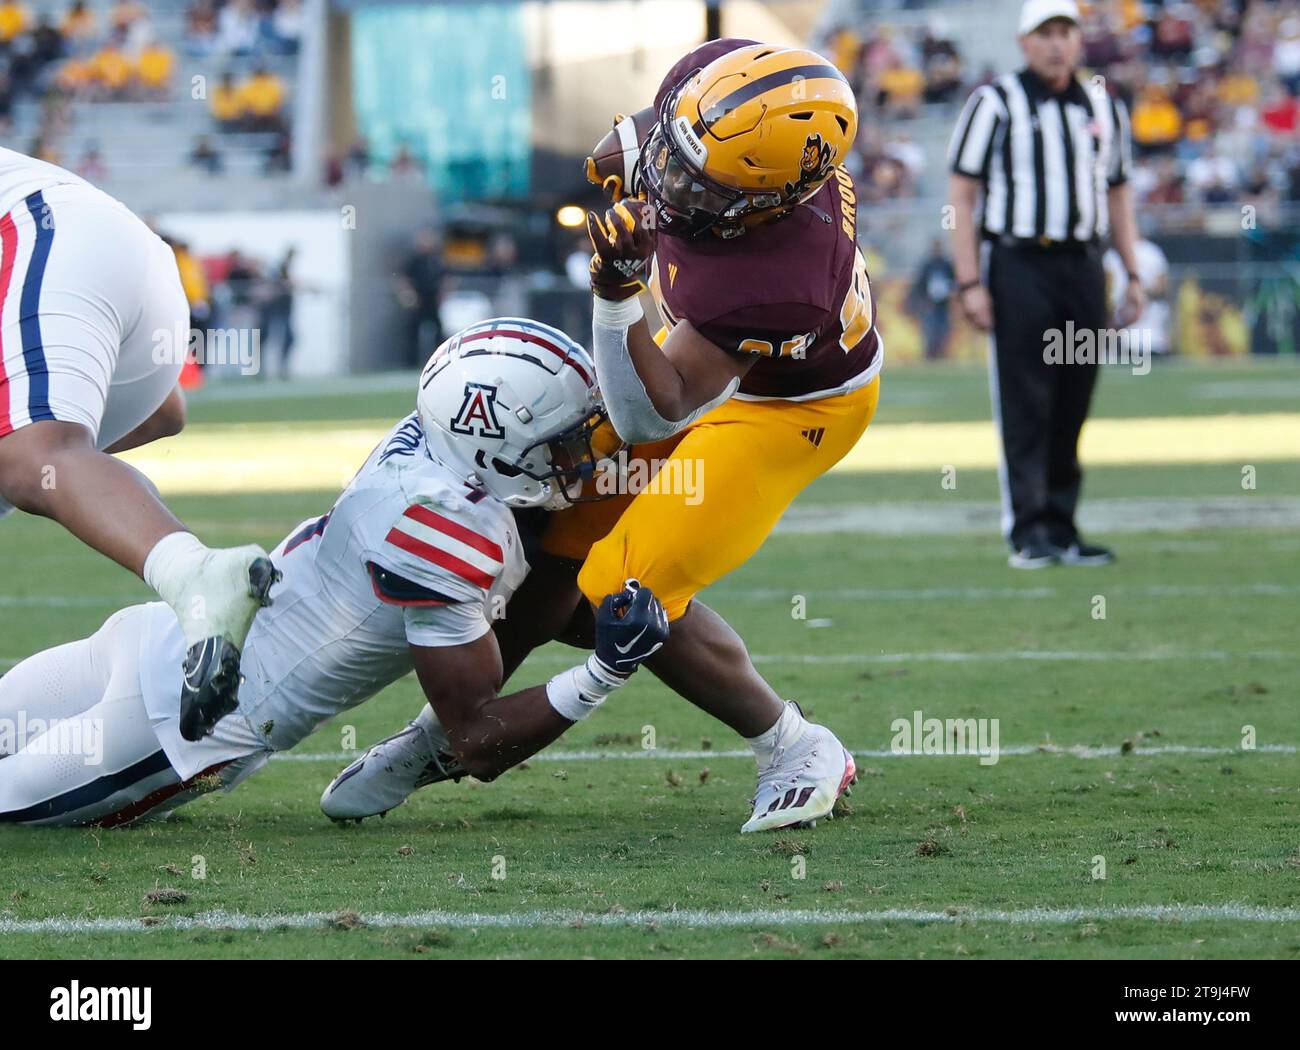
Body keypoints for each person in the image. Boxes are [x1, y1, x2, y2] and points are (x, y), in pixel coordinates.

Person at [337, 40, 870, 834]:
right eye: (676, 154)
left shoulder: (781, 278)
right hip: (699, 357)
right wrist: (631, 146)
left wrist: (616, 291)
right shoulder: (715, 92)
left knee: (624, 587)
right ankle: (451, 732)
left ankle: (795, 745)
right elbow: (641, 138)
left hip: (784, 409)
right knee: (558, 532)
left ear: (773, 200)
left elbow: (649, 415)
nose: (672, 182)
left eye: (700, 181)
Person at [0, 319, 669, 827]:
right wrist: (603, 671)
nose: (580, 460)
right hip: (181, 728)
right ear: (495, 442)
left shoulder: (429, 437)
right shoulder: (446, 533)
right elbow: (475, 737)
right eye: (563, 442)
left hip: (161, 635)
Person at [0, 146, 277, 742]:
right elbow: (162, 414)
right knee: (30, 460)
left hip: (46, 230)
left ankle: (197, 574)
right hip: (130, 262)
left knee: (32, 458)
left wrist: (37, 460)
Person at [947, 0, 1145, 568]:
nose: (1056, 44)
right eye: (1045, 33)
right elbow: (962, 195)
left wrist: (1132, 272)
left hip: (1083, 267)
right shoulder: (995, 103)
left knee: (1073, 395)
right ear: (1024, 41)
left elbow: (1119, 193)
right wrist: (969, 281)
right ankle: (1027, 531)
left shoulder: (1103, 104)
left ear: (1079, 40)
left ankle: (1062, 525)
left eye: (1065, 32)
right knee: (1026, 397)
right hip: (1020, 266)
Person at [396, 227, 445, 367]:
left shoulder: (436, 259)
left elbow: (445, 278)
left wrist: (442, 295)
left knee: (438, 331)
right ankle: (410, 363)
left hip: (433, 301)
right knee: (412, 333)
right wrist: (409, 297)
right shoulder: (413, 260)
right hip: (418, 301)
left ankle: (440, 361)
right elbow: (403, 280)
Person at [909, 238, 955, 360]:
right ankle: (930, 357)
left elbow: (954, 281)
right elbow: (920, 284)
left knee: (943, 331)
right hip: (930, 305)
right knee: (930, 332)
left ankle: (940, 356)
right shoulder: (927, 265)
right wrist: (923, 301)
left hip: (944, 305)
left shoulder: (946, 264)